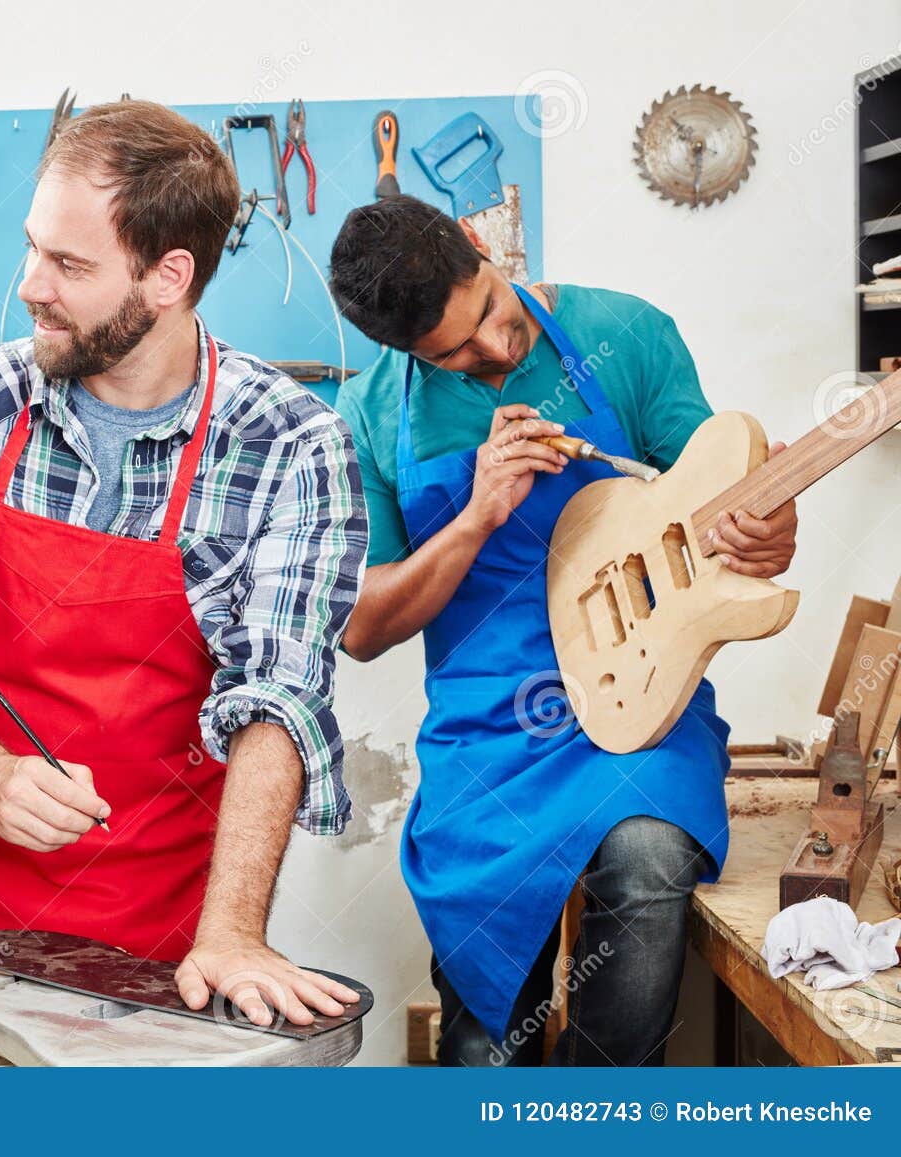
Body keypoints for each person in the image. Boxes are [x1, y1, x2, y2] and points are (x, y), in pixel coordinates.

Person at [0, 101, 368, 1026]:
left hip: (162, 941)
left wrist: (233, 931)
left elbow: (278, 696)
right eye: (34, 249)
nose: (31, 285)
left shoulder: (289, 440)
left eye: (69, 265)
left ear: (168, 276)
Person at [329, 194, 797, 1064]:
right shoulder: (365, 418)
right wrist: (475, 515)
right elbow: (362, 629)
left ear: (478, 244)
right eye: (457, 355)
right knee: (482, 1020)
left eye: (492, 317)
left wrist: (766, 532)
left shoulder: (626, 334)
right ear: (401, 353)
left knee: (650, 853)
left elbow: (723, 504)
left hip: (645, 694)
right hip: (489, 728)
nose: (496, 350)